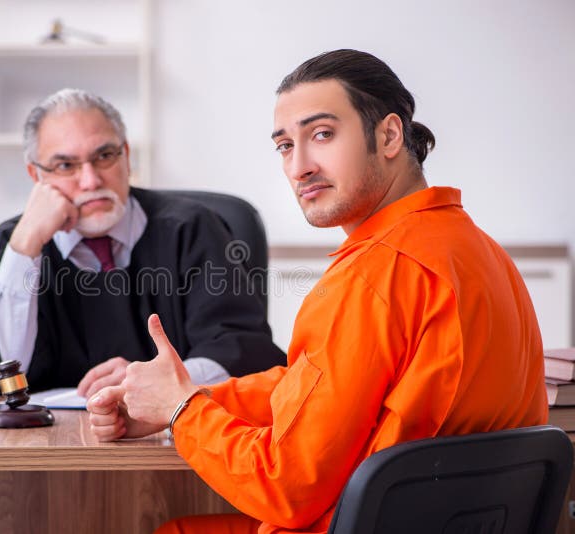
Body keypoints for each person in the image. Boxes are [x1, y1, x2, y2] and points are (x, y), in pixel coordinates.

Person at [87, 49, 548, 534]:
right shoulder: (481, 252)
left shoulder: (373, 276)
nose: (299, 167)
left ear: (389, 135)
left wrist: (183, 413)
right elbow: (316, 392)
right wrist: (188, 397)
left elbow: (285, 487)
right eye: (285, 146)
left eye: (322, 134)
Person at [0, 88, 285, 395]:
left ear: (126, 156)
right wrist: (25, 247)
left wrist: (163, 381)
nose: (90, 180)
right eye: (65, 165)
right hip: (44, 445)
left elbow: (246, 353)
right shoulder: (14, 243)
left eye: (103, 156)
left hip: (170, 440)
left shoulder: (192, 228)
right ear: (36, 175)